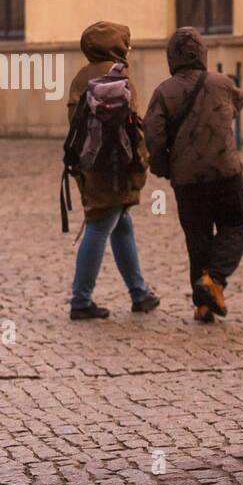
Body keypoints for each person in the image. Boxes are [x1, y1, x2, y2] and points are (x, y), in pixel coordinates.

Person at [144, 27, 243, 324]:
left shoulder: (163, 91)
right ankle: (213, 281)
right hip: (226, 171)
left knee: (198, 237)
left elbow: (152, 134)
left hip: (187, 179)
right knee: (237, 223)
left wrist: (163, 166)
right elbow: (239, 103)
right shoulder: (221, 83)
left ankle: (203, 304)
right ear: (202, 54)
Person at [64, 21, 160, 319]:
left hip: (91, 164)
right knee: (100, 223)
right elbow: (136, 127)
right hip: (118, 166)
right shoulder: (120, 75)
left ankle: (139, 292)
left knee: (120, 222)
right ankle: (81, 300)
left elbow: (74, 121)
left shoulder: (82, 76)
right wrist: (144, 161)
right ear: (117, 46)